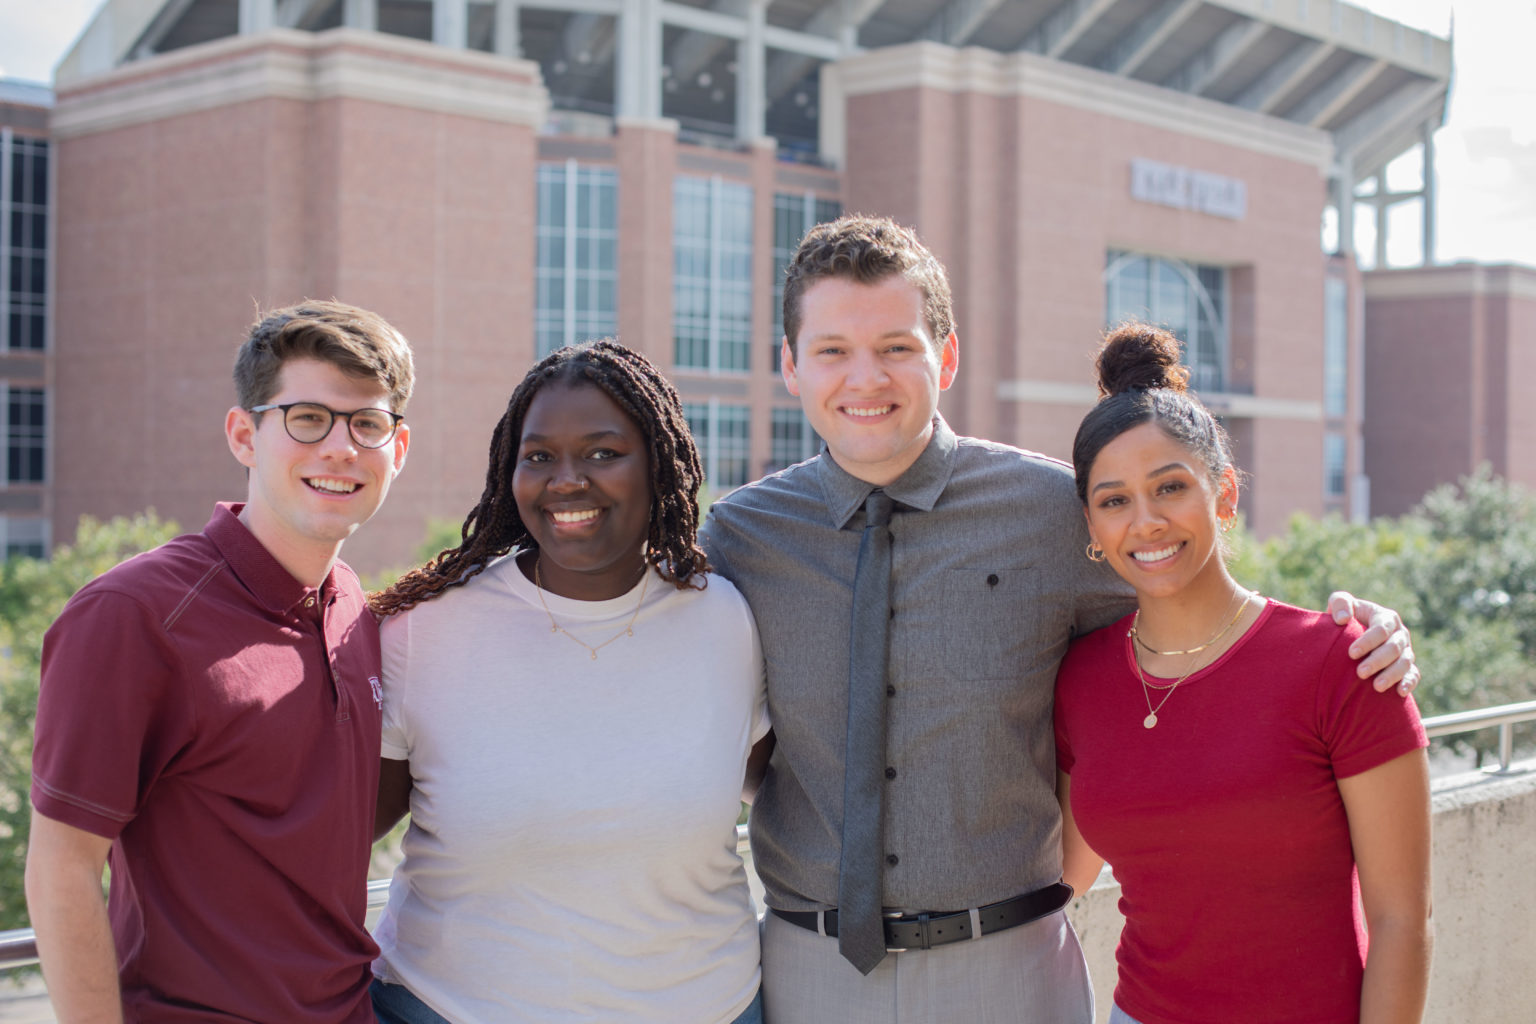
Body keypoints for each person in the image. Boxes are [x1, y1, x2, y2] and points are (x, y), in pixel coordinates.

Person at [698, 214, 1420, 1022]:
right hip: (806, 972)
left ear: (948, 355)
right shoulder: (740, 536)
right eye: (833, 350)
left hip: (1011, 970)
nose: (865, 378)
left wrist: (1360, 630)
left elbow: (1193, 613)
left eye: (898, 346)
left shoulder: (1055, 511)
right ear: (791, 365)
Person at [26, 300, 414, 1022]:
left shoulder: (355, 606)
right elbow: (60, 870)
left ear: (397, 448)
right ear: (244, 435)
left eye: (367, 423)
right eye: (307, 418)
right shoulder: (133, 616)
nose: (340, 448)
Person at [367, 340, 769, 1024]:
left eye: (603, 453)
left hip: (711, 1008)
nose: (567, 480)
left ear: (659, 467)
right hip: (451, 1009)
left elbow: (779, 798)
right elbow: (335, 841)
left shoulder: (727, 621)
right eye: (540, 456)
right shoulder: (426, 632)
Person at [1054, 322, 1432, 1024]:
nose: (1146, 522)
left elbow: (1404, 922)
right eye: (1114, 500)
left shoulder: (1344, 662)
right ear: (1092, 526)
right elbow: (1065, 875)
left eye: (1170, 487)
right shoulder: (1080, 677)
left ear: (1224, 493)